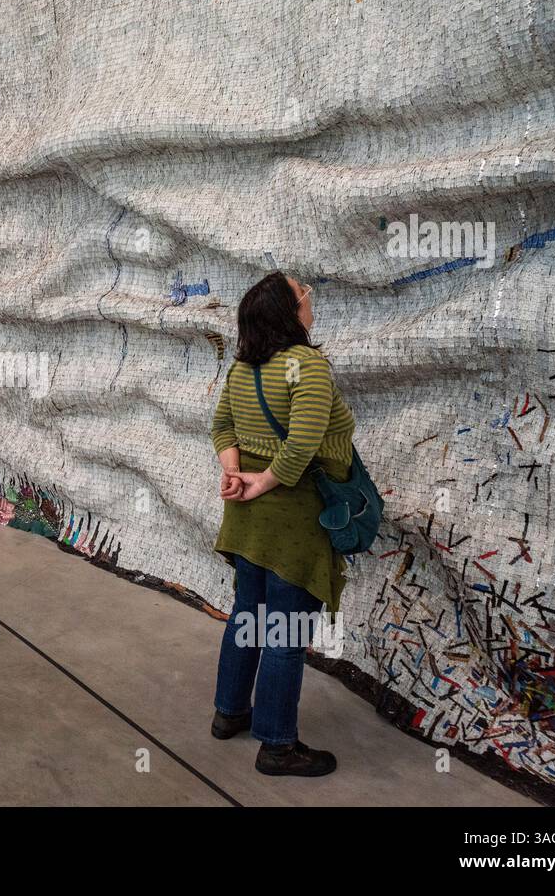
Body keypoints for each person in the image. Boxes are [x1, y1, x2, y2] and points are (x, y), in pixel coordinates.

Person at [208, 271, 357, 777]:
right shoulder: (307, 366)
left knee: (248, 611)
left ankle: (229, 713)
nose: (310, 299)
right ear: (288, 310)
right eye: (305, 294)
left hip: (248, 516)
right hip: (292, 517)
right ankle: (276, 744)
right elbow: (302, 445)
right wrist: (259, 482)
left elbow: (221, 426)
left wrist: (235, 476)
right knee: (285, 629)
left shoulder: (243, 368)